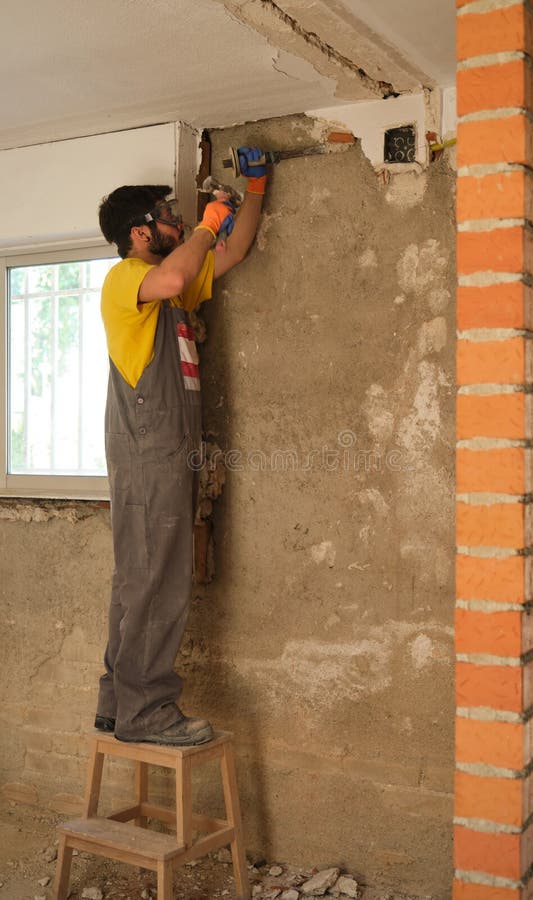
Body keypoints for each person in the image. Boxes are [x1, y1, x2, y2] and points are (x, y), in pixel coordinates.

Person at [94, 147, 267, 746]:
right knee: (157, 579)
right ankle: (146, 714)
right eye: (166, 215)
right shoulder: (126, 280)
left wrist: (257, 191)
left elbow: (234, 252)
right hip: (149, 452)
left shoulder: (173, 298)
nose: (175, 220)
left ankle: (118, 700)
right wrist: (205, 223)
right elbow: (173, 271)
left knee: (138, 576)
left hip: (170, 450)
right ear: (139, 233)